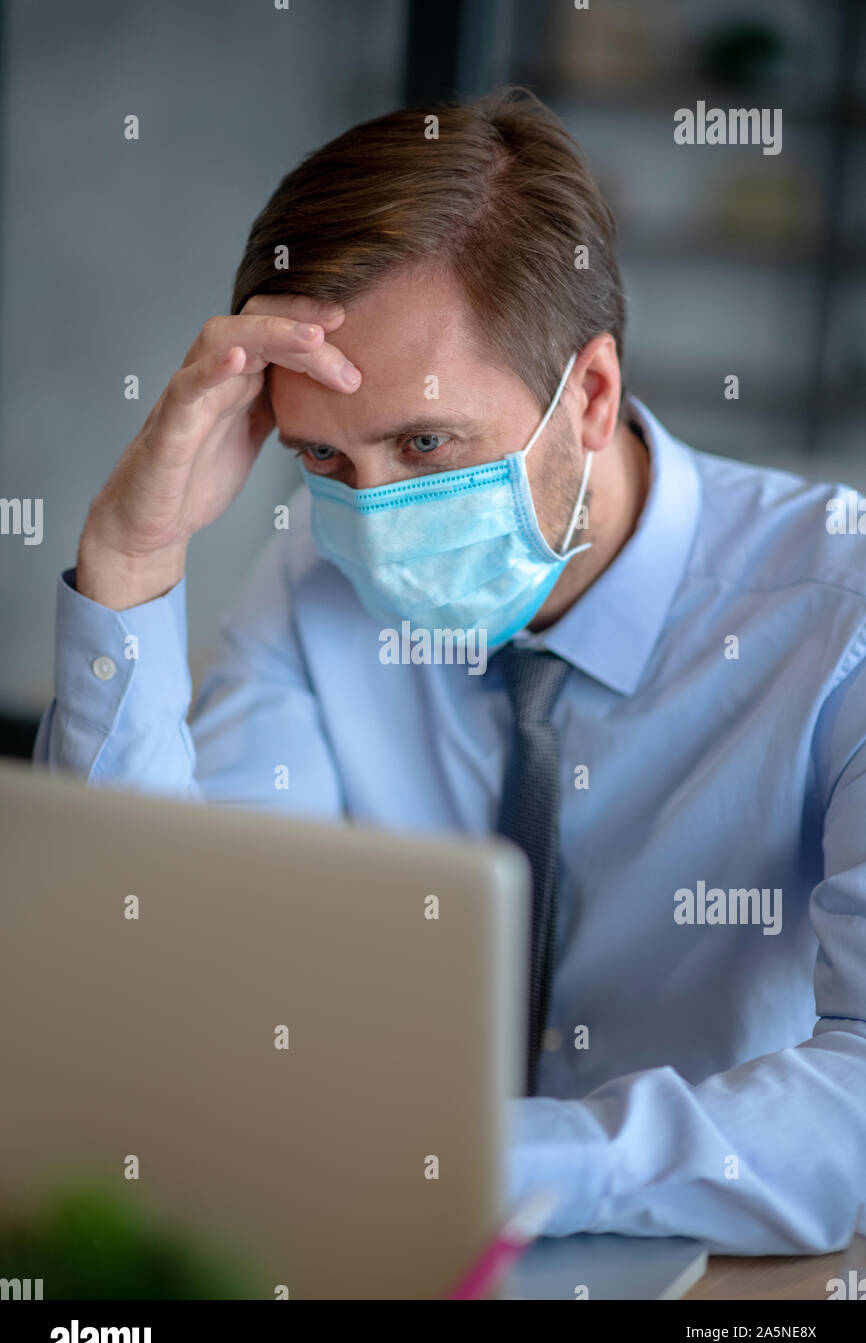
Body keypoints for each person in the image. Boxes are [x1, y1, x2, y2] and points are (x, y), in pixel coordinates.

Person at [35, 88, 866, 1256]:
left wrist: (499, 1164)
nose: (370, 518)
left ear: (587, 395)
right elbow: (162, 975)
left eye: (424, 444)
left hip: (717, 1284)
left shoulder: (839, 612)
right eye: (324, 454)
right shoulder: (313, 577)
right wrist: (130, 561)